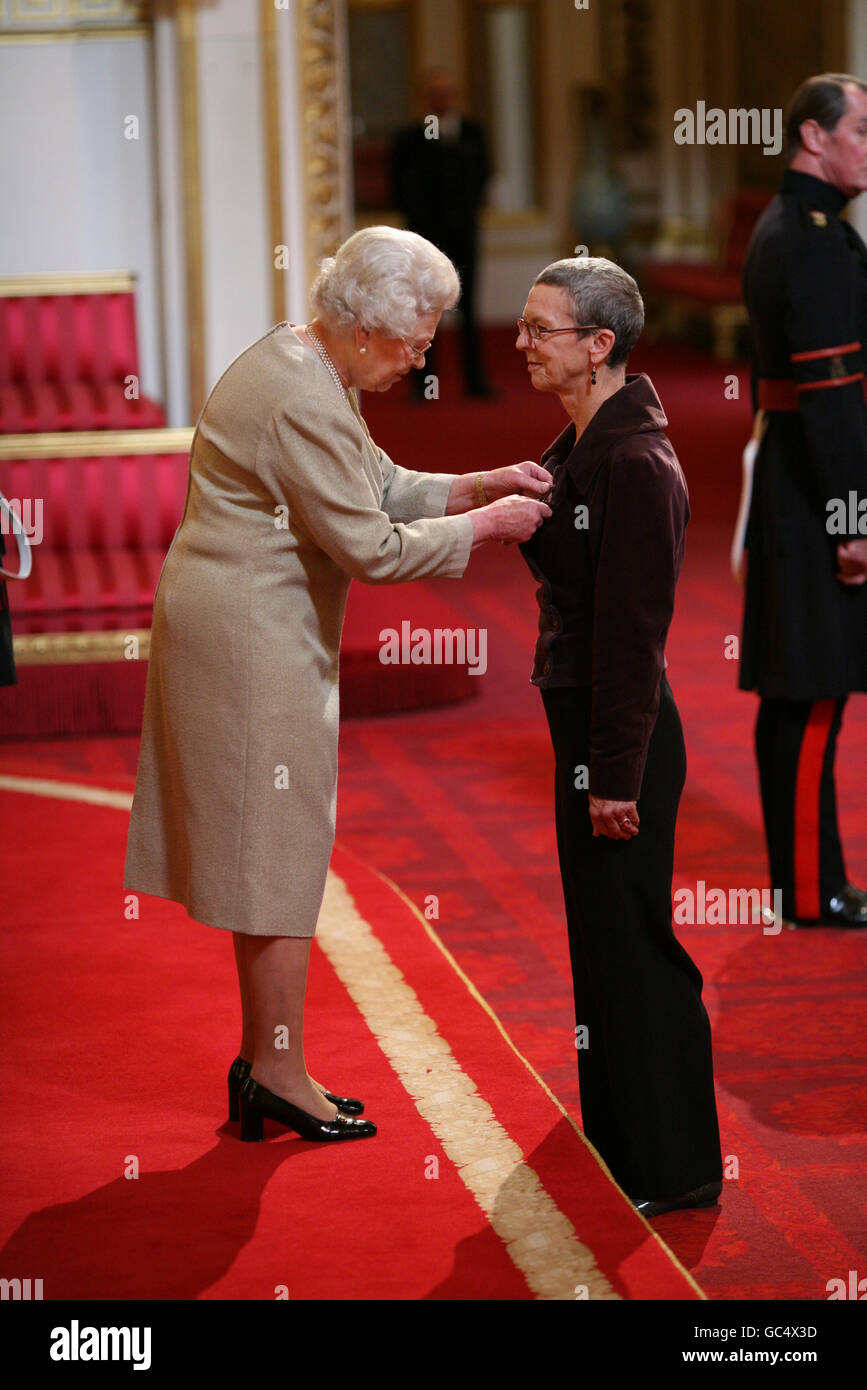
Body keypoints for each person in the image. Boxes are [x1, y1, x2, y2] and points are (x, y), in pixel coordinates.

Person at [124, 226, 551, 1145]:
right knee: (275, 851)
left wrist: (477, 483)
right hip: (248, 636)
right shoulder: (302, 396)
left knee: (268, 847)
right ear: (362, 327)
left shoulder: (307, 360)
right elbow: (370, 546)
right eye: (414, 340)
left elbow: (377, 483)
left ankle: (265, 1067)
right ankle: (275, 1072)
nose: (424, 356)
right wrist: (493, 528)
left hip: (250, 619)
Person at [516, 256, 723, 1216]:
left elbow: (634, 638)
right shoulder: (588, 435)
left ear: (599, 347)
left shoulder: (634, 460)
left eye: (539, 329)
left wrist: (613, 777)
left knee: (636, 946)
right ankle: (618, 1139)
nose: (520, 342)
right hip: (589, 724)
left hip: (620, 736)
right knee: (601, 941)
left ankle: (673, 1165)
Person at [739, 73, 867, 929]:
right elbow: (830, 396)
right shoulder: (814, 239)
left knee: (801, 693)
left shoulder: (791, 223)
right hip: (815, 490)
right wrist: (852, 521)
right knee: (815, 691)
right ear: (813, 138)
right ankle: (808, 888)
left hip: (790, 482)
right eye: (861, 129)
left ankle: (806, 877)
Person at [391, 69, 494, 398]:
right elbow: (399, 185)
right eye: (435, 93)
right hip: (425, 239)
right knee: (423, 308)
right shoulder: (408, 138)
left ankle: (475, 384)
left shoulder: (472, 134)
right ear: (426, 99)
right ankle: (423, 385)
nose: (442, 100)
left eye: (446, 93)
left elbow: (483, 177)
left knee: (469, 308)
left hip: (464, 234)